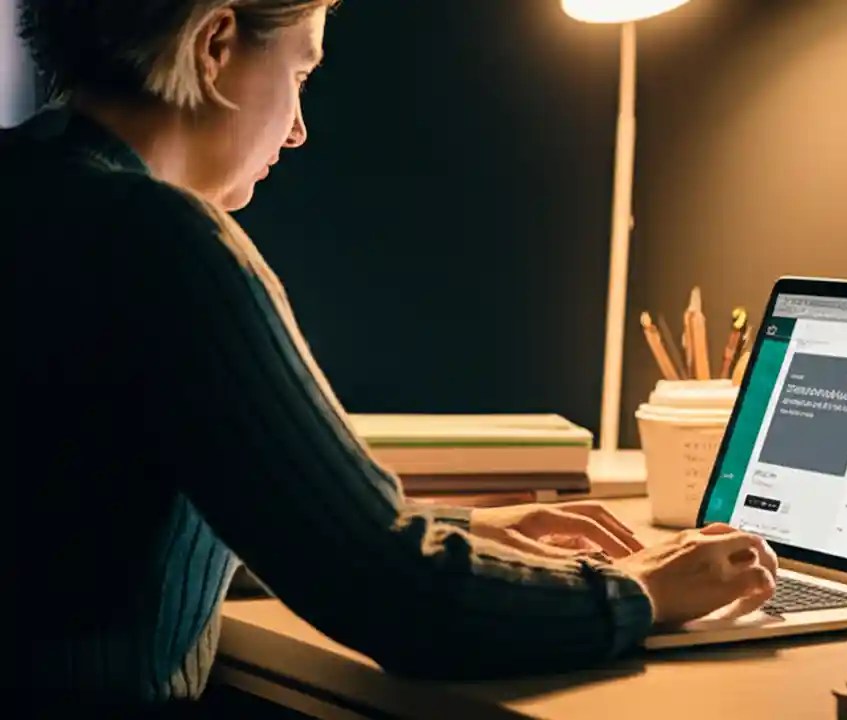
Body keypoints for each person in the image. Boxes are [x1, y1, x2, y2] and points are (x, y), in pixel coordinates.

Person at [3, 0, 777, 710]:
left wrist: (453, 529)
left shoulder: (31, 187)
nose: (299, 126)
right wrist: (641, 593)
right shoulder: (161, 243)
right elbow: (397, 598)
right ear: (215, 45)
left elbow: (92, 531)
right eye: (301, 71)